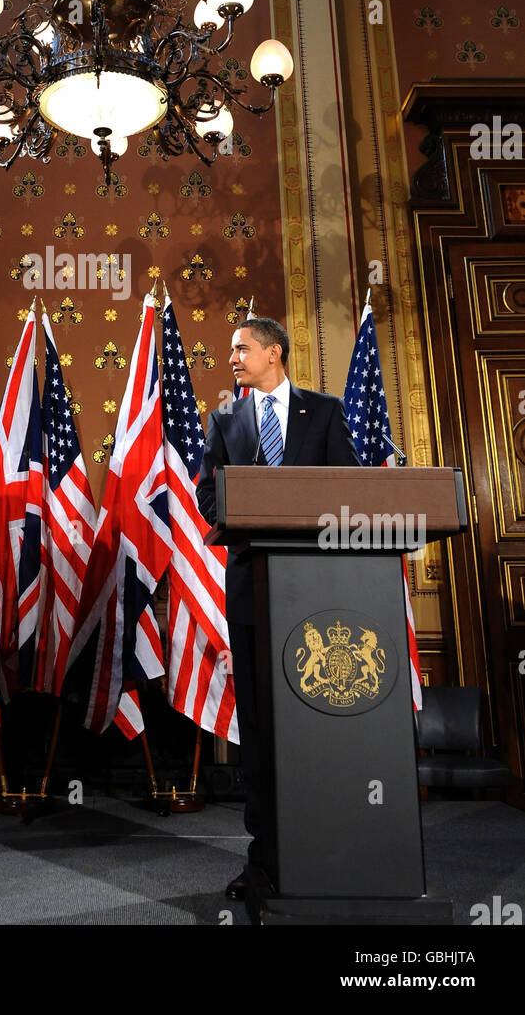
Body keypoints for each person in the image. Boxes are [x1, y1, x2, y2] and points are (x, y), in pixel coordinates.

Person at [196, 316, 360, 899]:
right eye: (231, 350)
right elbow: (207, 493)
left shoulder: (326, 412)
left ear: (274, 352)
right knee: (261, 726)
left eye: (241, 348)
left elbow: (350, 489)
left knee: (317, 721)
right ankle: (263, 858)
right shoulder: (225, 419)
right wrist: (245, 513)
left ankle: (332, 851)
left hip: (317, 599)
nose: (233, 358)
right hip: (250, 590)